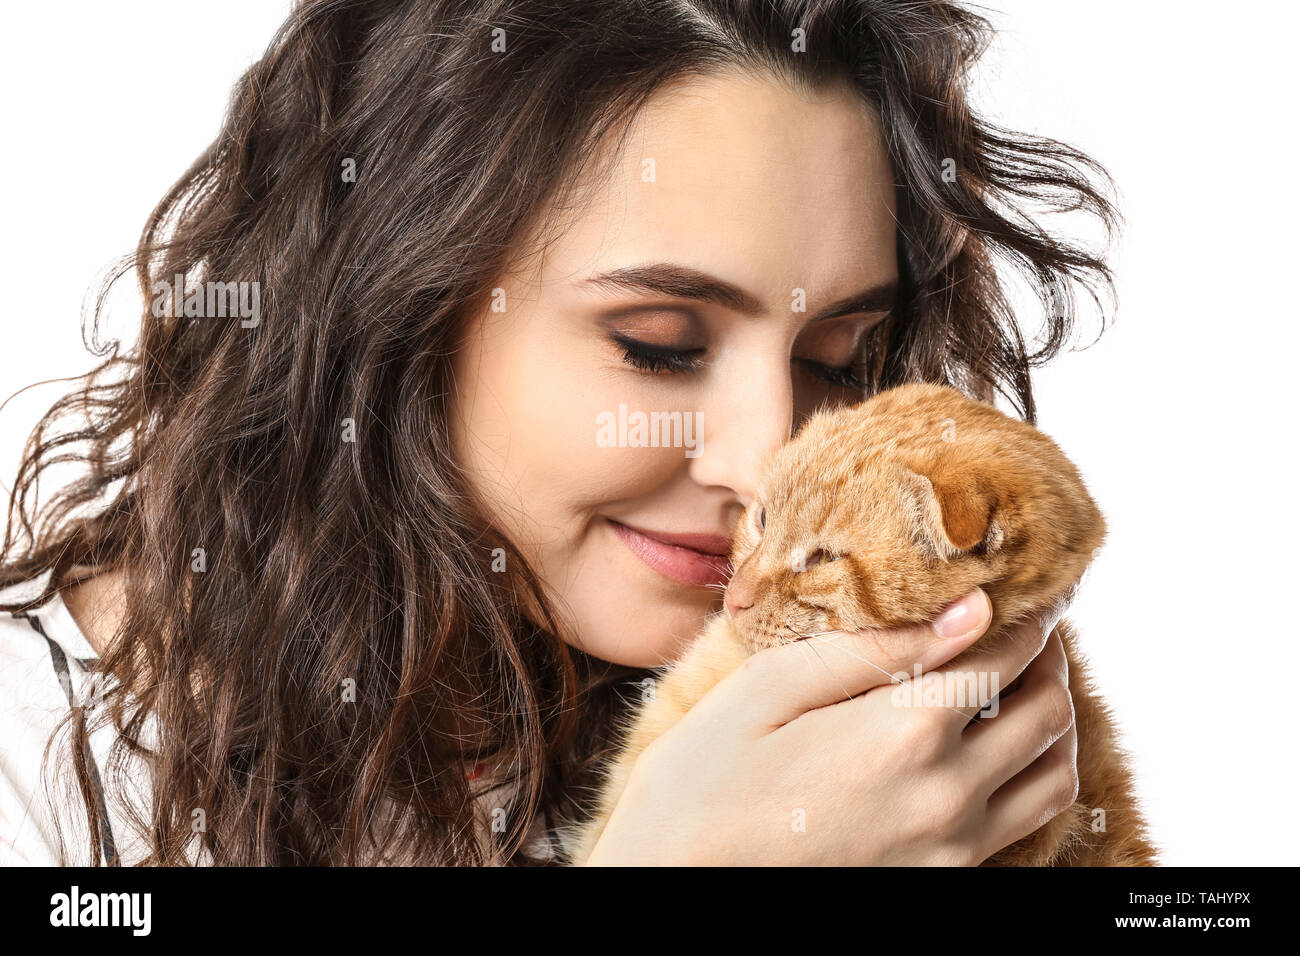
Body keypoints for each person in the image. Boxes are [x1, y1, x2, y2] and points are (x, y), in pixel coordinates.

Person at [0, 0, 1117, 865]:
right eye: (660, 343)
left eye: (838, 361)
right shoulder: (25, 768)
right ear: (392, 304)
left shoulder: (855, 763)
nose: (761, 464)